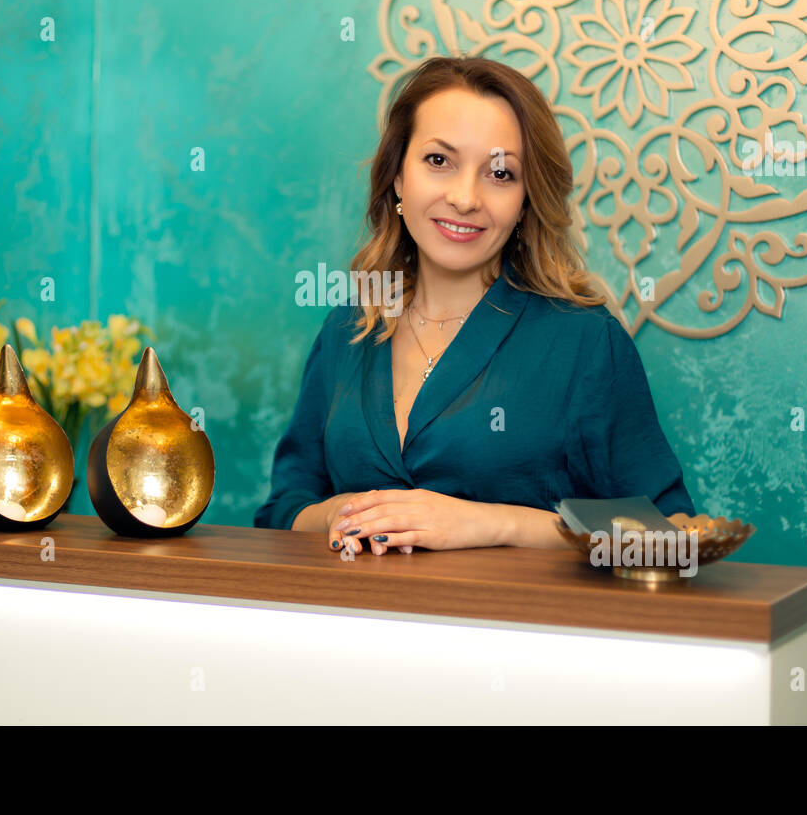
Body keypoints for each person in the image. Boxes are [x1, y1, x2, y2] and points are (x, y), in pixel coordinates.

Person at [253, 56, 696, 554]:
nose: (465, 198)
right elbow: (282, 510)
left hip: (520, 631)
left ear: (527, 199)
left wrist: (492, 524)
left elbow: (669, 535)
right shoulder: (347, 330)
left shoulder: (585, 341)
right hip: (350, 628)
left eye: (501, 173)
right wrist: (336, 512)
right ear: (398, 177)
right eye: (438, 161)